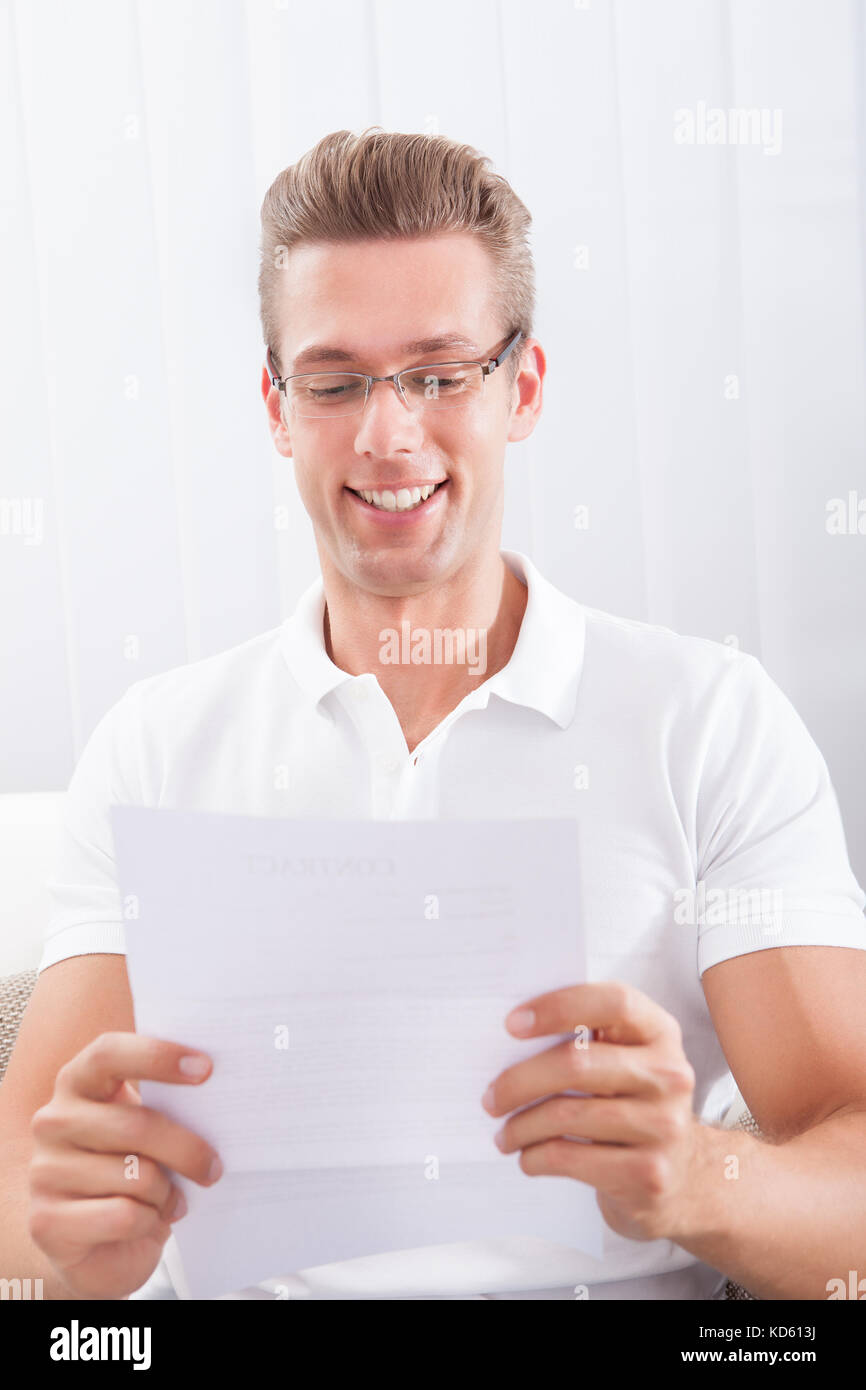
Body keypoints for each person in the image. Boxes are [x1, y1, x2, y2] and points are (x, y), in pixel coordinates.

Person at [2, 128, 866, 1302]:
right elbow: (23, 1195)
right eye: (335, 379)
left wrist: (699, 1181)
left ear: (522, 388)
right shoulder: (158, 746)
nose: (386, 432)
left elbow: (848, 1162)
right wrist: (68, 1257)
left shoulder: (704, 723)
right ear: (276, 407)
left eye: (439, 371)